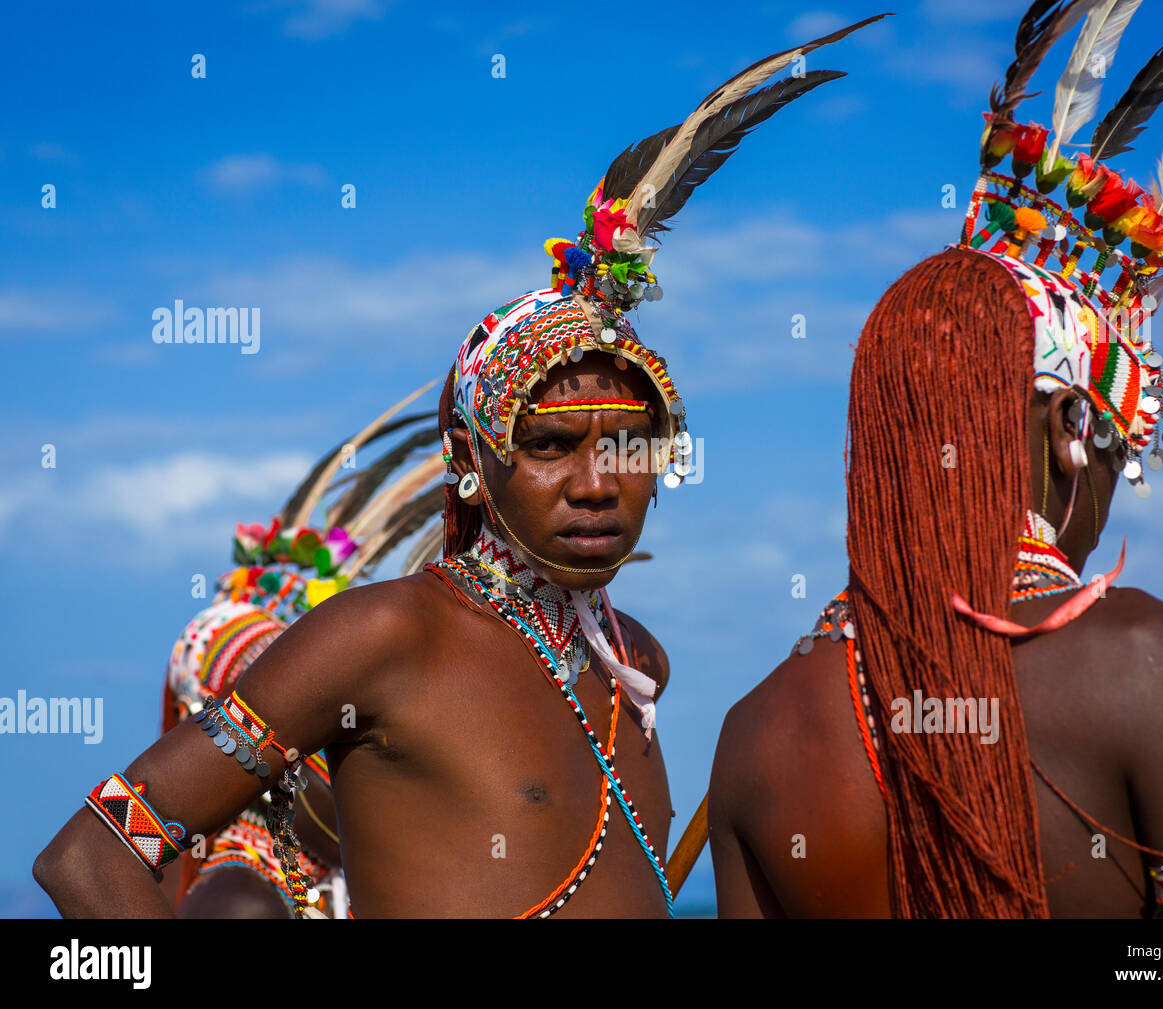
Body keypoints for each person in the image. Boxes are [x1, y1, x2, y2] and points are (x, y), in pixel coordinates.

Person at [33, 17, 882, 918]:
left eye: (630, 447)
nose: (598, 482)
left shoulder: (640, 665)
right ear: (474, 461)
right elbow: (90, 858)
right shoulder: (384, 635)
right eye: (549, 444)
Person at [709, 0, 1163, 918]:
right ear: (1071, 427)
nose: (1112, 491)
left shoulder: (757, 732)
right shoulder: (1143, 660)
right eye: (1125, 450)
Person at [161, 385, 447, 917]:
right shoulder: (241, 904)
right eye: (327, 751)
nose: (365, 779)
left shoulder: (340, 888)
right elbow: (83, 858)